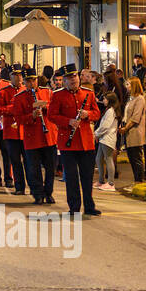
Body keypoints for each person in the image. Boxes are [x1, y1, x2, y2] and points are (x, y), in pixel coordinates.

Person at [49, 69, 101, 216]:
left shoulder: (88, 93)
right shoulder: (58, 95)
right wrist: (68, 121)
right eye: (69, 78)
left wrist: (87, 114)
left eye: (75, 76)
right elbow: (52, 115)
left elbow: (97, 113)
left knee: (87, 176)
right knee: (71, 177)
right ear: (64, 80)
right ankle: (74, 207)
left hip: (86, 142)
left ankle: (89, 206)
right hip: (68, 142)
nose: (73, 80)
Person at [13, 69, 56, 205]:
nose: (31, 83)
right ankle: (38, 194)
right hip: (32, 138)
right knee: (34, 168)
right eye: (28, 81)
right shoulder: (19, 97)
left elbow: (55, 110)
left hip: (48, 136)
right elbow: (18, 119)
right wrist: (31, 116)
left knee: (50, 168)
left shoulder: (47, 92)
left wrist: (45, 108)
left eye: (33, 80)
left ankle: (48, 193)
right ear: (24, 82)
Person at [0, 68, 26, 195]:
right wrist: (13, 109)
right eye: (15, 75)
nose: (18, 78)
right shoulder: (4, 92)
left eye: (20, 75)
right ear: (10, 76)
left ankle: (32, 185)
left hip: (25, 131)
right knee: (15, 161)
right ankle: (19, 186)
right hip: (11, 131)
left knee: (29, 161)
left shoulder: (25, 90)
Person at [121, 77, 146, 185]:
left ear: (134, 85)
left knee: (136, 158)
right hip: (128, 131)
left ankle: (139, 181)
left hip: (135, 131)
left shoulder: (140, 99)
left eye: (128, 84)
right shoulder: (131, 98)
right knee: (131, 157)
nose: (126, 86)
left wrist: (125, 128)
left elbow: (136, 117)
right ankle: (136, 180)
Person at [94, 90, 121, 190]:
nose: (103, 100)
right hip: (103, 138)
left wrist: (96, 134)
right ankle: (101, 180)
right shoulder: (109, 110)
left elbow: (105, 126)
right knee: (98, 159)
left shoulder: (111, 111)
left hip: (107, 138)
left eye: (105, 99)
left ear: (109, 100)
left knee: (108, 159)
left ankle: (111, 183)